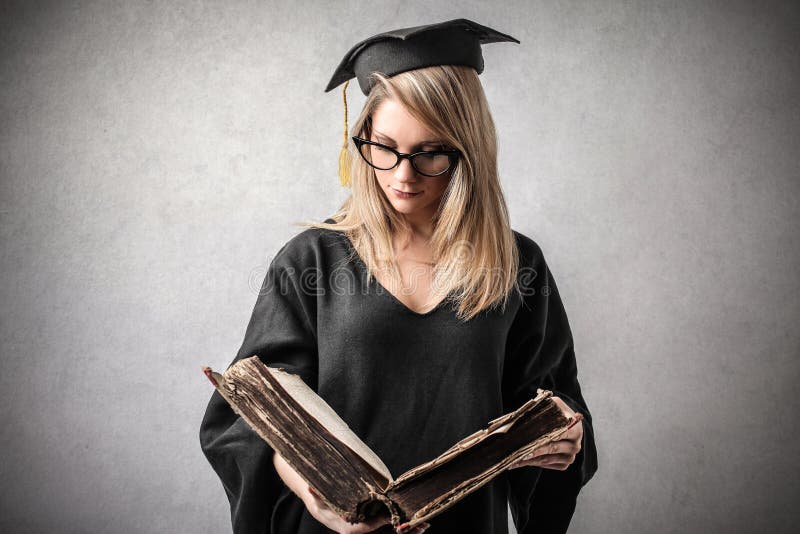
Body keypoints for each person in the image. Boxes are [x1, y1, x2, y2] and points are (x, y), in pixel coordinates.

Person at [200, 18, 597, 534]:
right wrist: (311, 487)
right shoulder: (310, 263)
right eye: (383, 147)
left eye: (430, 152)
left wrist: (564, 437)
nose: (402, 175)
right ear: (360, 138)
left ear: (469, 152)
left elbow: (552, 399)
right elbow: (249, 420)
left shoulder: (517, 267)